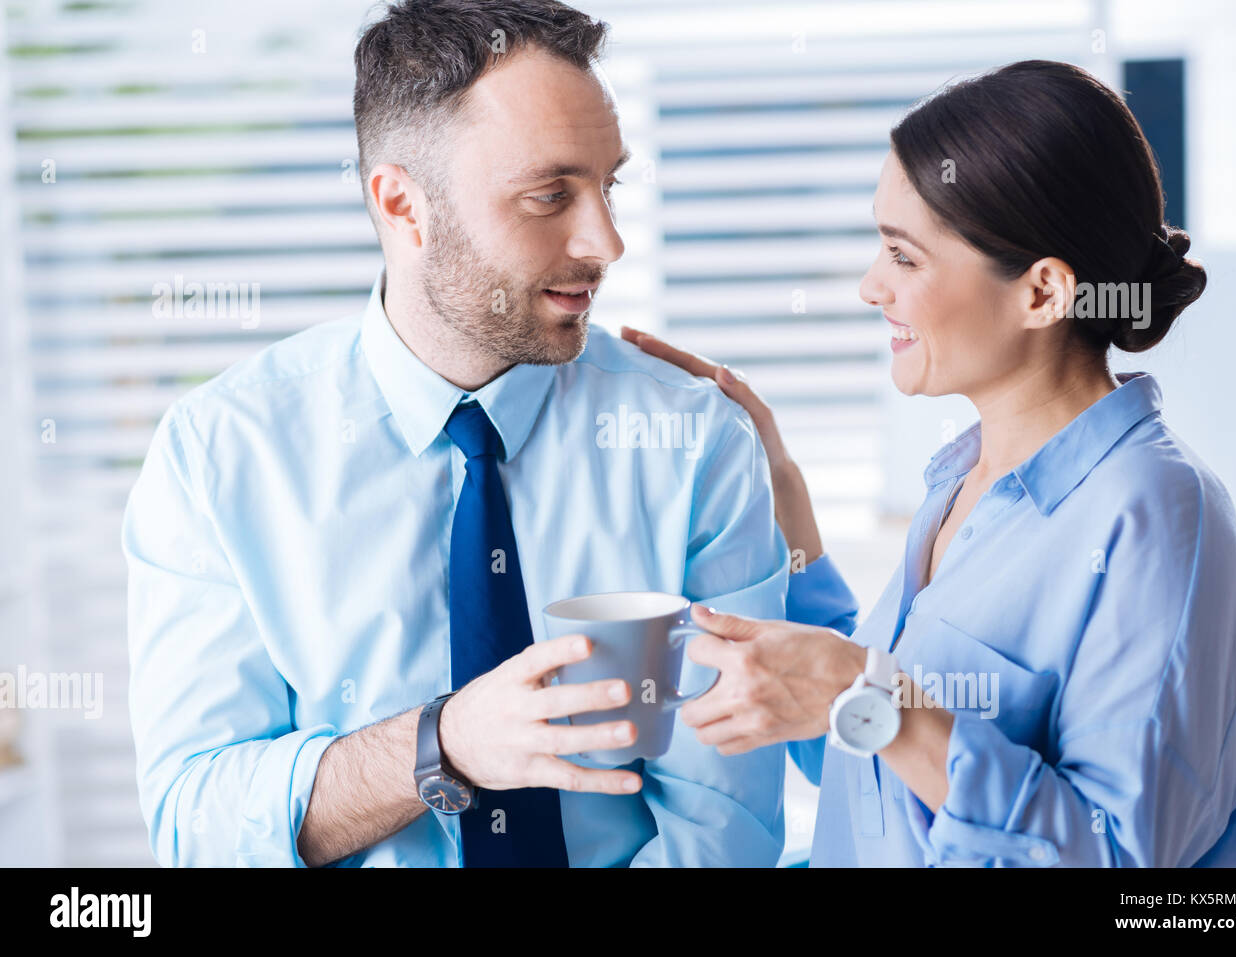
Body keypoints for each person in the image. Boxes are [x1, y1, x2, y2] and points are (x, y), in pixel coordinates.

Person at [122, 0, 794, 867]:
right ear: (403, 205)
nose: (607, 241)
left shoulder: (695, 441)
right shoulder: (218, 456)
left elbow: (725, 827)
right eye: (551, 194)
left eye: (608, 186)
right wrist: (444, 743)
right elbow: (196, 823)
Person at [624, 59, 1236, 867]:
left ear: (1042, 293)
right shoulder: (961, 480)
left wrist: (865, 695)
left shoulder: (1154, 515)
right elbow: (865, 768)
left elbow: (1120, 868)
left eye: (905, 257)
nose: (872, 286)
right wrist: (782, 494)